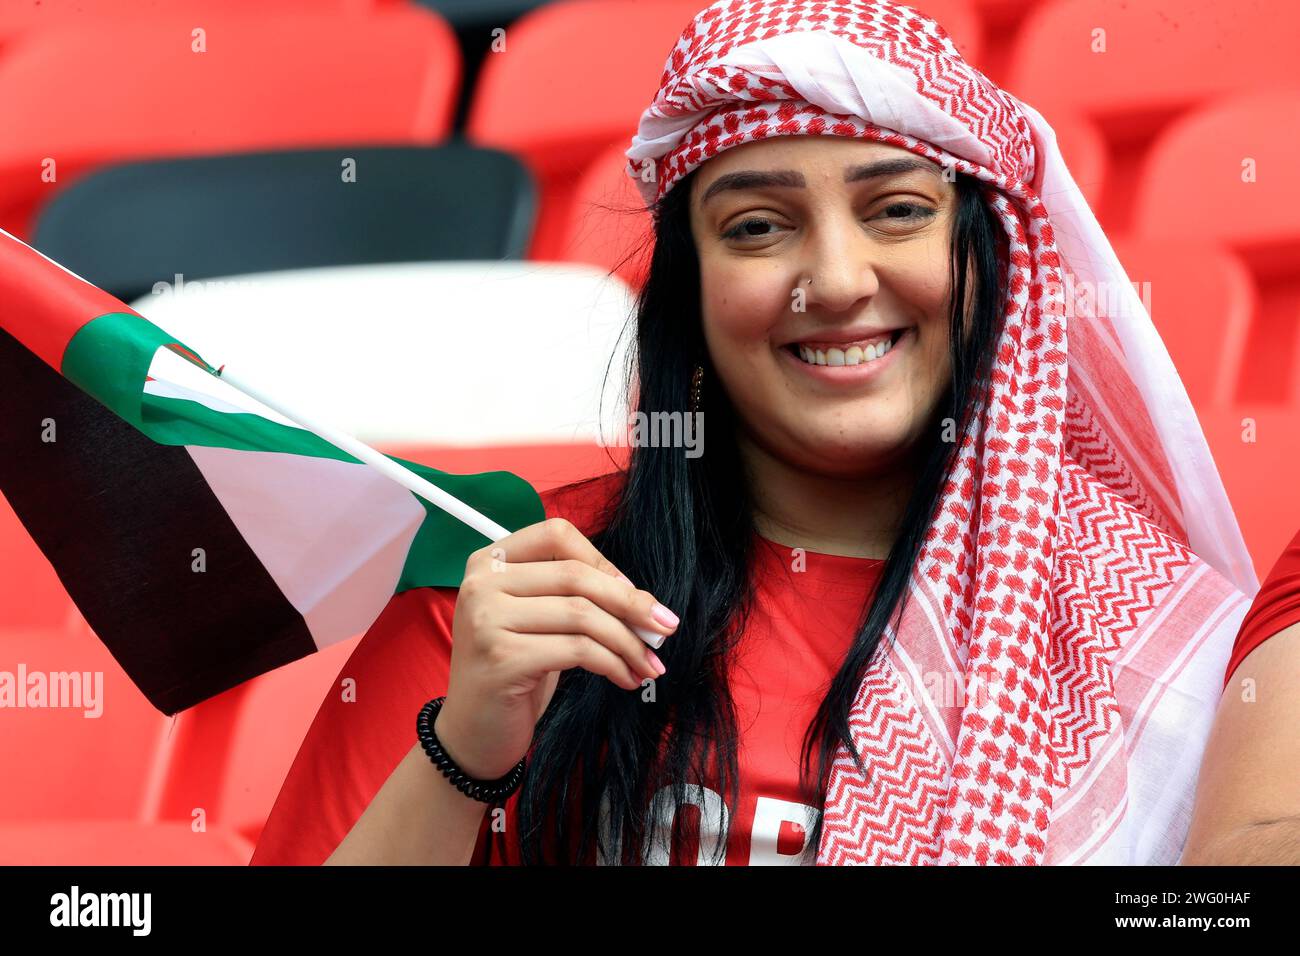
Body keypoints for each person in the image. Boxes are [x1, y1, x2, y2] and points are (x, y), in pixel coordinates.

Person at [251, 0, 1279, 866]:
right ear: (689, 296)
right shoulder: (509, 604)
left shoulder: (1157, 651)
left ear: (986, 269)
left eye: (898, 212)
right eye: (756, 226)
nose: (835, 280)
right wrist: (469, 748)